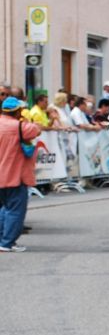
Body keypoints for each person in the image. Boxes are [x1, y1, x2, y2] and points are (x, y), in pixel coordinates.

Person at [0, 96, 41, 252]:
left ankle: (3, 240)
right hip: (14, 174)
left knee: (5, 207)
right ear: (17, 111)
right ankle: (7, 242)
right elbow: (36, 129)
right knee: (15, 209)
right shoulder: (19, 126)